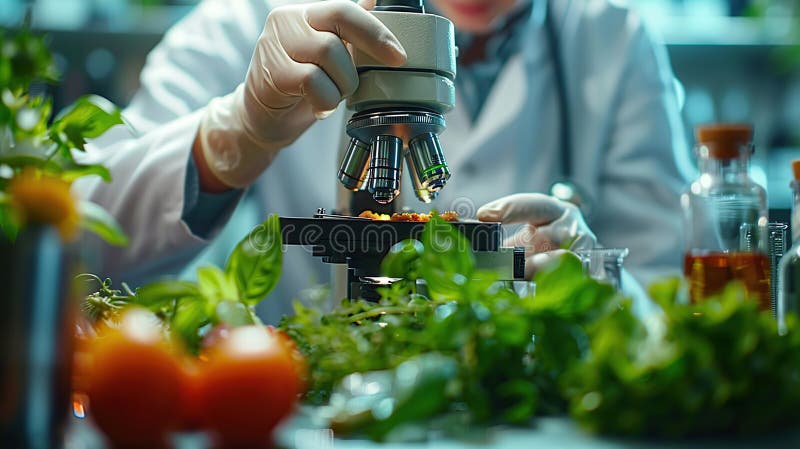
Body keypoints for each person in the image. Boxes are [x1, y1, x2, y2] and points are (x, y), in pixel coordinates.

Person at [76, 0, 691, 320]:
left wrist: (600, 285)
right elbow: (81, 240)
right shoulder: (242, 23)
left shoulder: (613, 43)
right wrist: (234, 136)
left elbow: (675, 298)